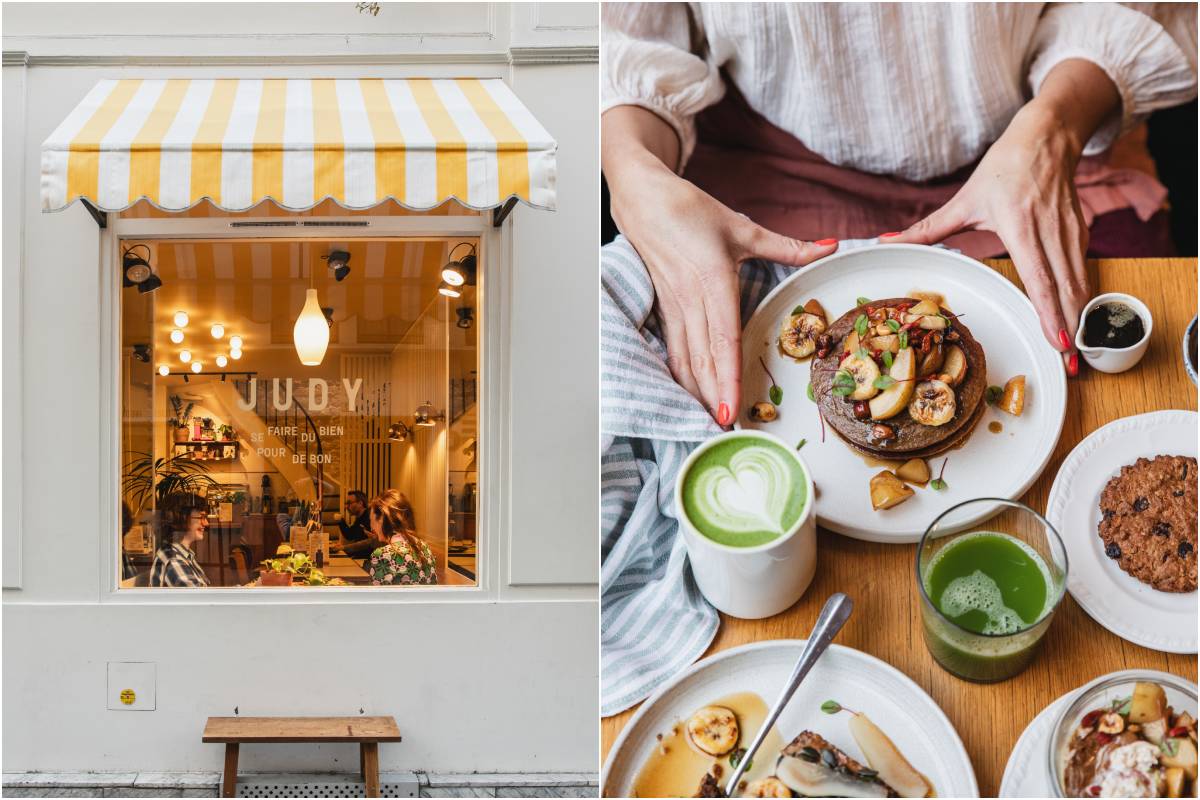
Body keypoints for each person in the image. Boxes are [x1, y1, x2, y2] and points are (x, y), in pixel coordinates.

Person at [602, 3, 1196, 424]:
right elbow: (623, 39)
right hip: (768, 160)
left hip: (1044, 134)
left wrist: (1057, 127)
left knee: (1134, 398)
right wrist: (632, 173)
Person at [366, 489, 436, 586]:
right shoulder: (424, 547)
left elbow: (377, 598)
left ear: (381, 518)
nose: (371, 527)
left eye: (371, 520)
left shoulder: (383, 555)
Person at [150, 493, 211, 588]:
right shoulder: (174, 560)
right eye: (201, 517)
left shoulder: (183, 554)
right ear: (181, 518)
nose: (206, 523)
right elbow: (200, 600)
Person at [336, 490, 376, 559]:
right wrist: (341, 521)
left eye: (349, 503)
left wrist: (343, 548)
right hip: (360, 559)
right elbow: (350, 535)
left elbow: (368, 544)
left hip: (368, 561)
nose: (346, 507)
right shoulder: (359, 518)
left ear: (360, 503)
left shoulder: (369, 518)